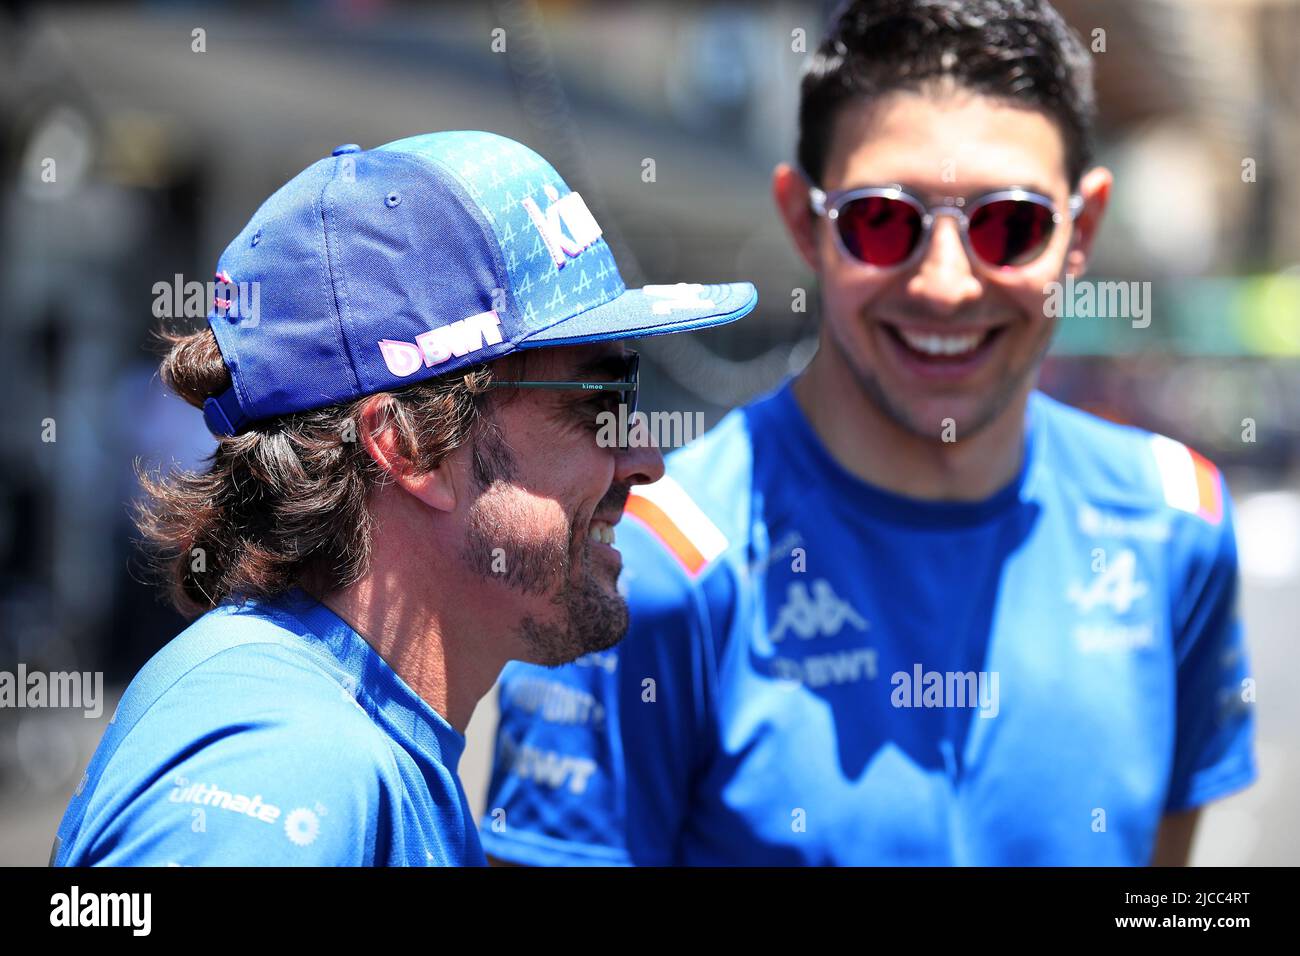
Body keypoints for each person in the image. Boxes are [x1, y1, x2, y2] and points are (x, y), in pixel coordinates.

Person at [481, 0, 1257, 865]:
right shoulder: (643, 571)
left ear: (1085, 230)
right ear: (802, 222)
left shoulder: (1176, 522)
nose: (948, 284)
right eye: (884, 221)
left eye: (1010, 225)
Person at [50, 131, 757, 866]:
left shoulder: (358, 739)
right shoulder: (290, 768)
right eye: (602, 403)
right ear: (408, 446)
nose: (646, 461)